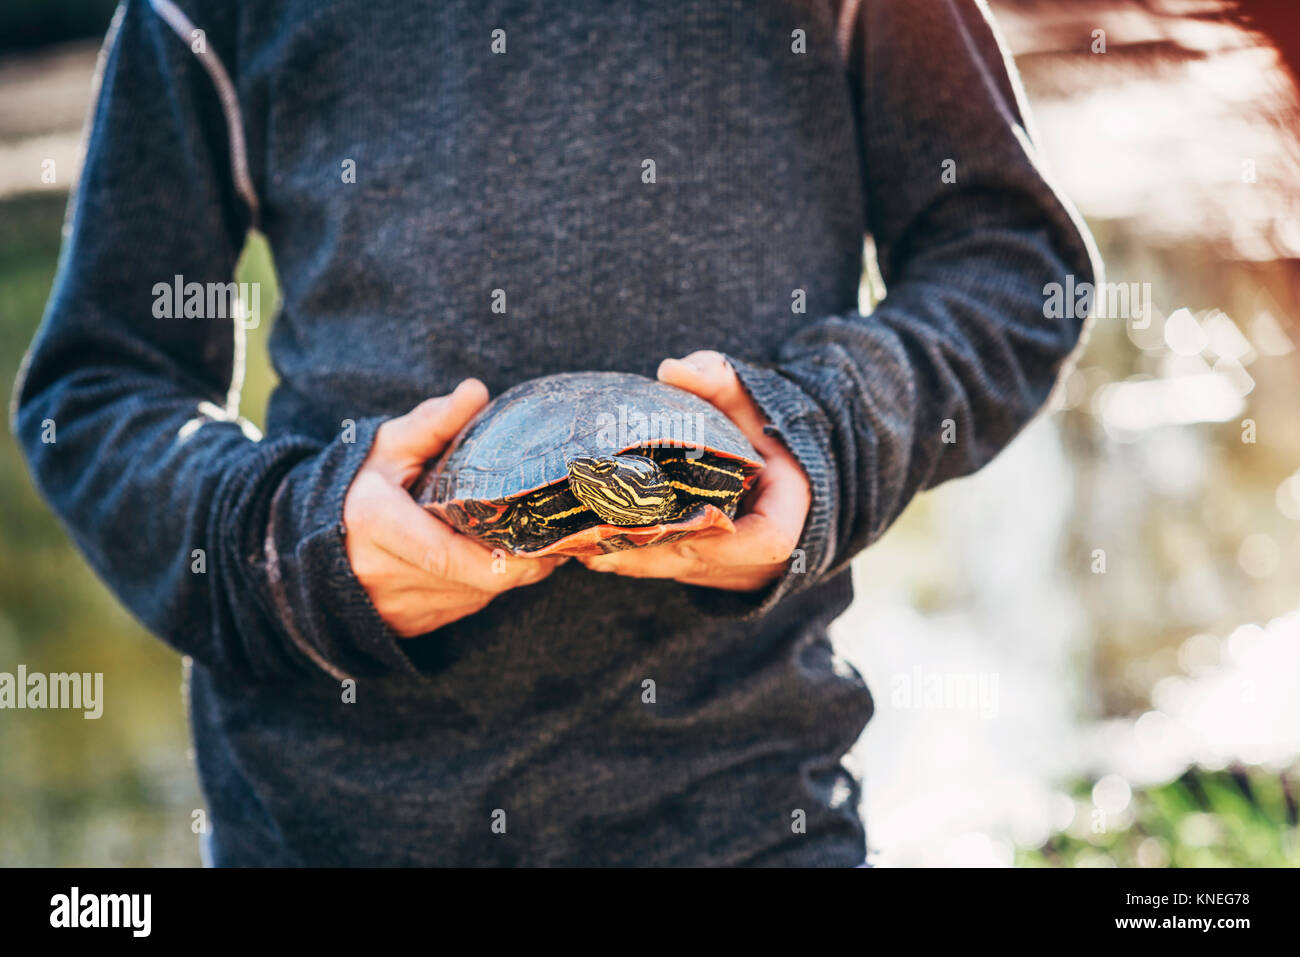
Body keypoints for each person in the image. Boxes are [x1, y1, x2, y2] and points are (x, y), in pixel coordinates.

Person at [14, 0, 1100, 866]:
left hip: (744, 810)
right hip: (325, 822)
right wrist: (292, 545)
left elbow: (1014, 265)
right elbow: (97, 389)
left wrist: (826, 437)